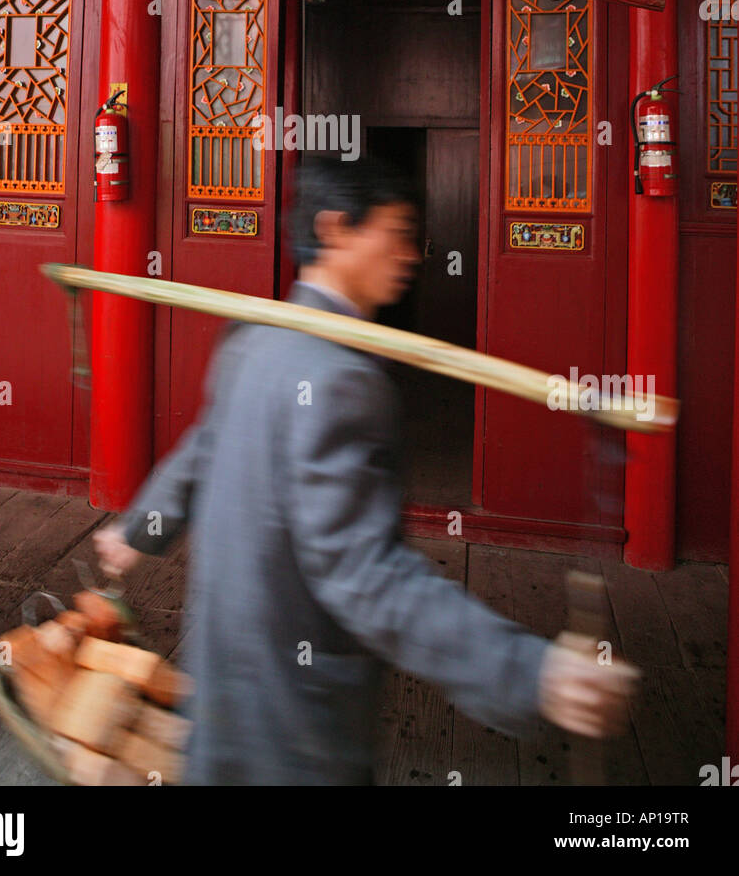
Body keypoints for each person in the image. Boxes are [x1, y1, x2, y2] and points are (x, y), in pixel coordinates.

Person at [94, 156, 637, 785]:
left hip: (225, 672)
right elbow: (361, 571)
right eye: (397, 232)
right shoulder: (341, 380)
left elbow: (200, 448)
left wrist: (136, 529)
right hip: (296, 718)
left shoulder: (252, 337)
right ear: (334, 230)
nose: (411, 253)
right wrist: (529, 672)